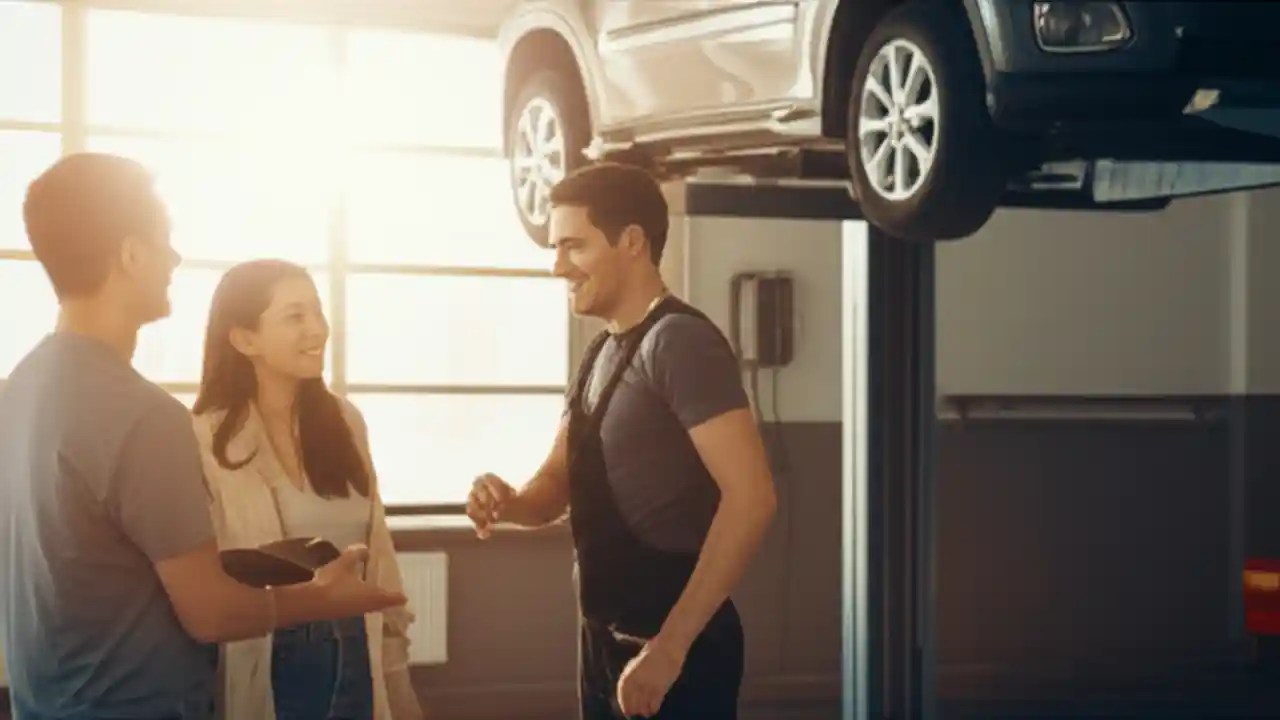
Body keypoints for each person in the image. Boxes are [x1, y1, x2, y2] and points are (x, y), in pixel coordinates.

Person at [0, 153, 405, 720]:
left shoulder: (16, 390)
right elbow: (209, 614)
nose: (174, 258)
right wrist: (320, 599)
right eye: (164, 240)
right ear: (132, 253)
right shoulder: (145, 416)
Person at [466, 162, 778, 719]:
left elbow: (752, 498)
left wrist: (669, 649)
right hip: (605, 643)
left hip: (674, 650)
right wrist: (508, 500)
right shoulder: (598, 354)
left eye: (572, 247)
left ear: (631, 241)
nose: (558, 267)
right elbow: (554, 487)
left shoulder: (679, 343)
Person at [191, 259, 422, 720]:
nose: (317, 328)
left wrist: (398, 682)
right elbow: (202, 583)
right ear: (244, 339)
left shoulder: (346, 422)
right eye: (295, 316)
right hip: (266, 663)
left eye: (317, 311)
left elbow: (379, 560)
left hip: (357, 658)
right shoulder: (202, 437)